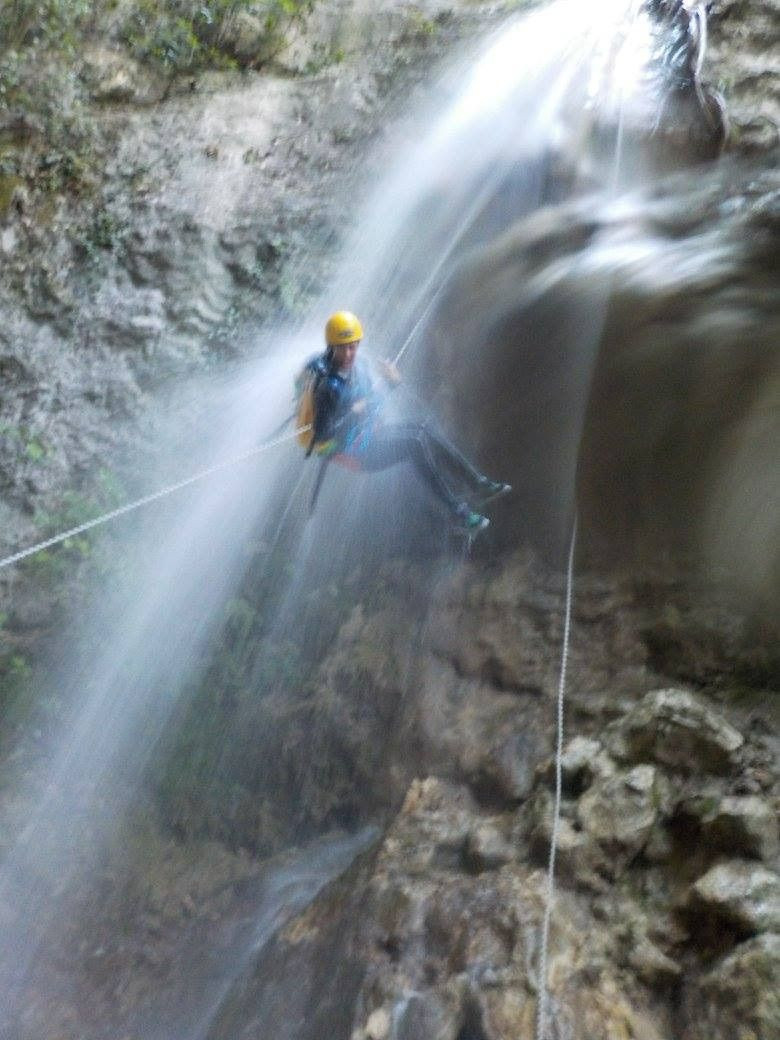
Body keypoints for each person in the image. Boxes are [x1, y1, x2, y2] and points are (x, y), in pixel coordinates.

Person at [295, 311, 510, 534]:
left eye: (353, 346)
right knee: (414, 443)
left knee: (424, 427)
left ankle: (476, 483)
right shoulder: (327, 387)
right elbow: (322, 434)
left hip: (369, 436)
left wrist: (391, 383)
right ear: (332, 347)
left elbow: (372, 402)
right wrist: (353, 412)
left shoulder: (360, 368)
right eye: (342, 348)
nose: (349, 353)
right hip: (356, 453)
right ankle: (458, 513)